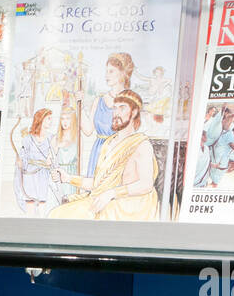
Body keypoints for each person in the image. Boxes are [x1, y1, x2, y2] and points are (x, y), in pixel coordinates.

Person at [52, 89, 159, 220]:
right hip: (105, 199)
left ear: (134, 112)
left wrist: (111, 193)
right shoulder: (108, 143)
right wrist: (68, 178)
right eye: (115, 108)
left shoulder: (141, 145)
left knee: (68, 217)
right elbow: (99, 184)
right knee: (58, 214)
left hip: (129, 206)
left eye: (122, 108)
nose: (116, 113)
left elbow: (146, 184)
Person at [81, 52, 135, 177]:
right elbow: (88, 130)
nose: (106, 76)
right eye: (106, 71)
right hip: (98, 153)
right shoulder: (99, 100)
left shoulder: (130, 100)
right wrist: (80, 105)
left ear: (122, 73)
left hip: (118, 153)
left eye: (111, 71)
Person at [11, 108, 61, 215]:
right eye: (48, 119)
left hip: (43, 175)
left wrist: (50, 161)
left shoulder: (51, 138)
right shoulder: (28, 139)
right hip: (30, 174)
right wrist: (20, 161)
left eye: (51, 119)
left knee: (42, 201)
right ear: (41, 120)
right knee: (30, 201)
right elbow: (23, 155)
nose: (51, 121)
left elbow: (55, 157)